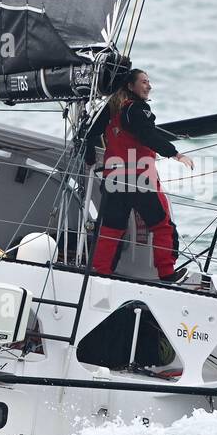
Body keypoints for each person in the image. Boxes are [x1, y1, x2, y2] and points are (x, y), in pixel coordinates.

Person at [84, 69, 195, 282]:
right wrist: (175, 154)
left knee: (111, 227)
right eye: (144, 82)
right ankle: (167, 273)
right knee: (162, 225)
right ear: (130, 86)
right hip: (139, 179)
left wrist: (90, 155)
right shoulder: (137, 109)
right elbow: (147, 135)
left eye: (149, 82)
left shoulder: (112, 109)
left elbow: (92, 132)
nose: (149, 86)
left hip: (113, 179)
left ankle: (100, 272)